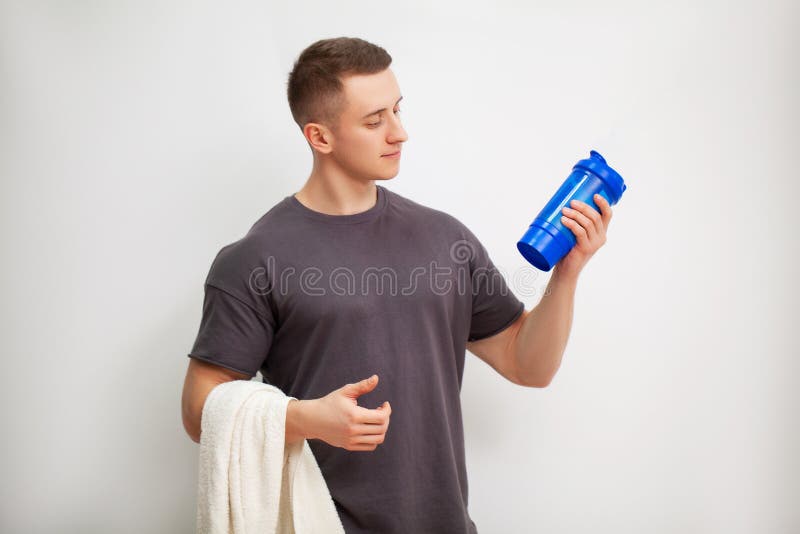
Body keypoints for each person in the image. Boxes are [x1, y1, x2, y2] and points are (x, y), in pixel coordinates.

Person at [181, 36, 613, 534]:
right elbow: (199, 413)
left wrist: (569, 271)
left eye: (397, 110)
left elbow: (527, 364)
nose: (399, 133)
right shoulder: (254, 258)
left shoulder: (445, 239)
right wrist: (305, 419)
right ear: (319, 137)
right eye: (374, 120)